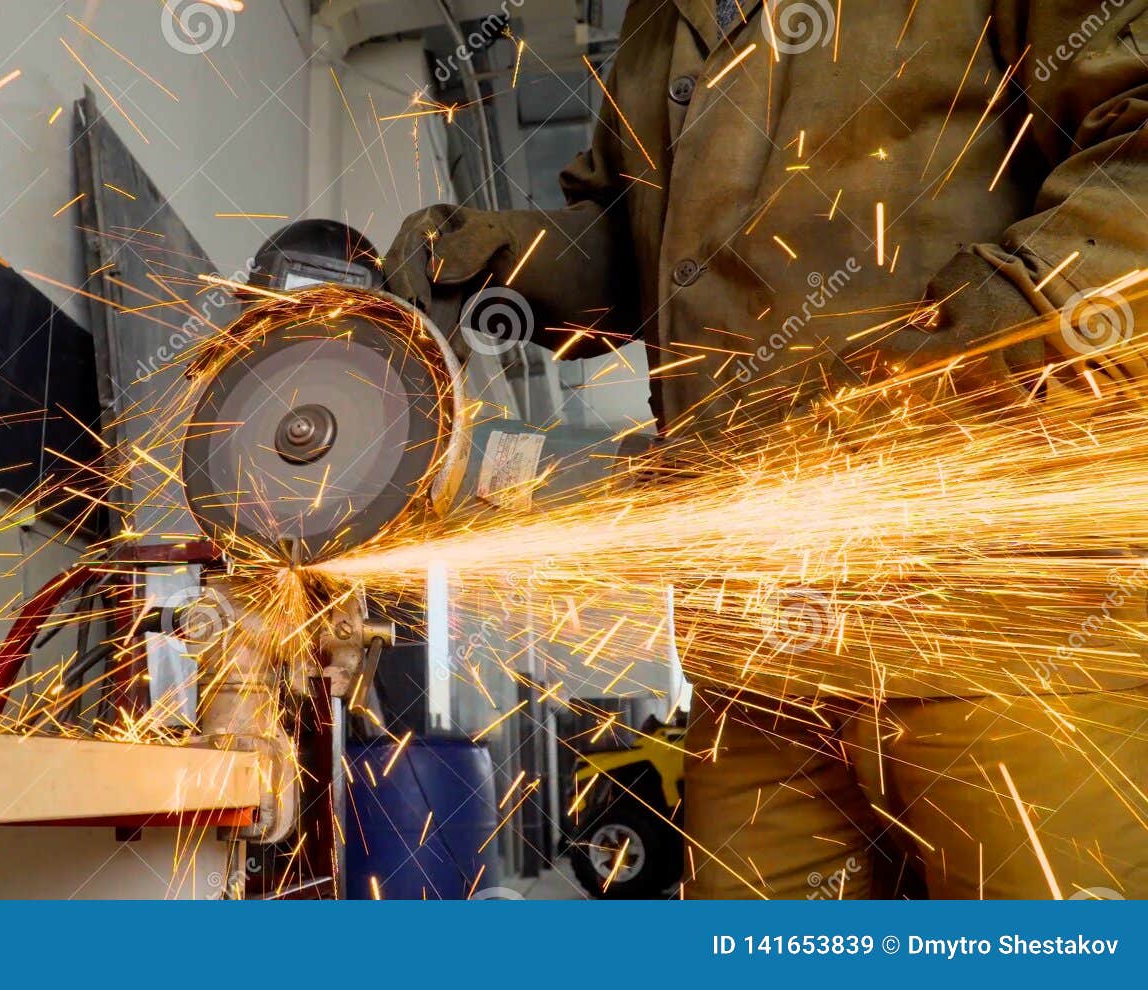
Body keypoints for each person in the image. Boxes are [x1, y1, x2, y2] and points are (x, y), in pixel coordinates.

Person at [384, 0, 1148, 899]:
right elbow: (650, 249)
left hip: (1001, 622)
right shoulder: (657, 19)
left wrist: (938, 365)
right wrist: (501, 262)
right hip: (759, 657)